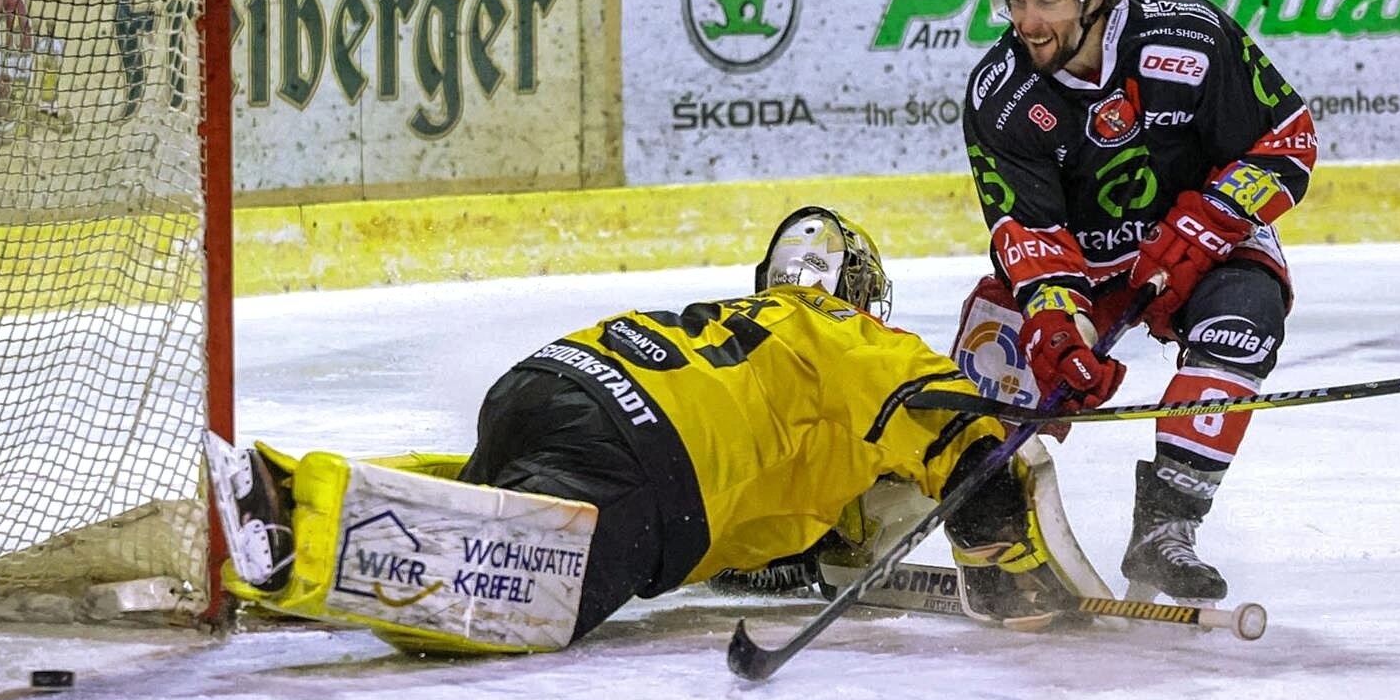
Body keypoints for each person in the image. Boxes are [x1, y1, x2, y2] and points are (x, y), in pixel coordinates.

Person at [206, 206, 1086, 654]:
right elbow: (954, 422)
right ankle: (306, 527)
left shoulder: (740, 325)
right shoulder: (851, 337)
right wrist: (998, 539)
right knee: (516, 599)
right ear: (857, 291)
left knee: (497, 495)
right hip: (648, 459)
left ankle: (272, 490)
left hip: (549, 382)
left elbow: (803, 529)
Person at [958, 0, 1318, 602]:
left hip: (1204, 244)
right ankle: (992, 539)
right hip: (1087, 270)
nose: (1029, 22)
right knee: (996, 367)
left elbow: (1288, 139)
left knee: (1241, 326)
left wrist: (1208, 221)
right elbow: (1029, 233)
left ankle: (1165, 529)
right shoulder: (1000, 96)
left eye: (1049, 0)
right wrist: (1058, 320)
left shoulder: (1191, 38)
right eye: (1017, 0)